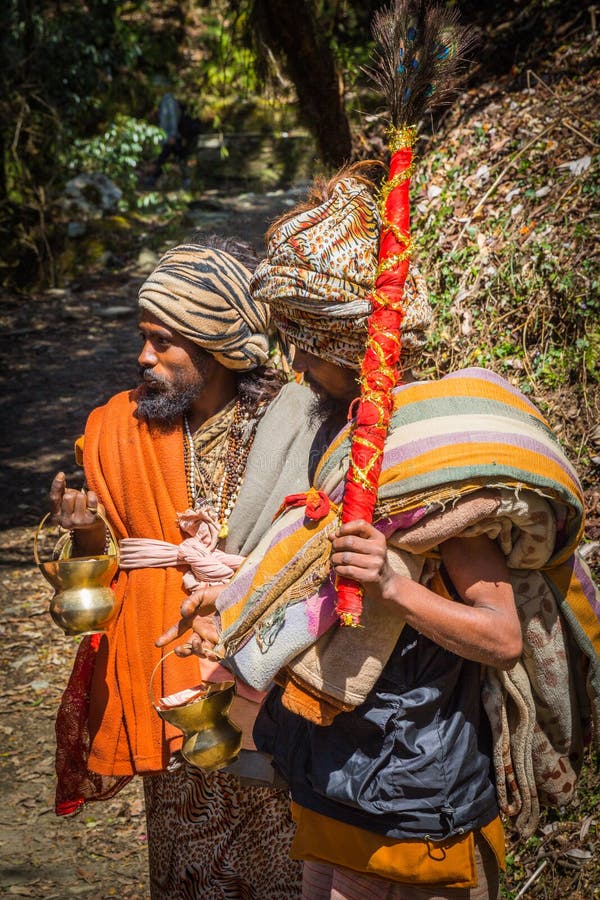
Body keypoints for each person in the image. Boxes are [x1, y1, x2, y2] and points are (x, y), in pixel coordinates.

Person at [172, 162, 597, 899]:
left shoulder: (433, 483)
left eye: (310, 346)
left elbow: (497, 637)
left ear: (351, 347)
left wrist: (396, 587)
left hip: (412, 801)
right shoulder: (348, 453)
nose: (298, 366)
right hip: (334, 774)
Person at [49, 234, 327, 899]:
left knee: (283, 870)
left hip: (270, 692)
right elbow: (88, 595)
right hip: (166, 703)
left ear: (224, 348)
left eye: (164, 342)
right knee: (187, 874)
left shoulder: (300, 425)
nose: (144, 357)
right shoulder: (117, 432)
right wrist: (87, 535)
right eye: (144, 338)